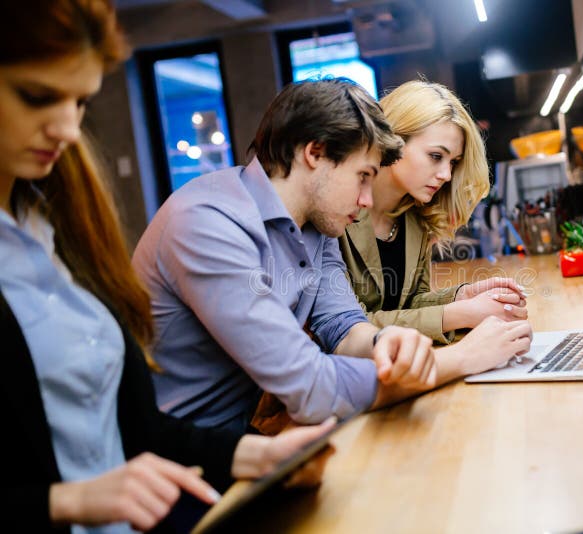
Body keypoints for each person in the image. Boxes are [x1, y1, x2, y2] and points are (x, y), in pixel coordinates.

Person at [0, 2, 338, 532]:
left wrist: (256, 455)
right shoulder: (206, 220)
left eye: (82, 101)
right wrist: (65, 502)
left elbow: (135, 429)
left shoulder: (57, 229)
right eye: (37, 97)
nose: (67, 129)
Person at [133, 77, 443, 436]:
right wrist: (458, 361)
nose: (366, 200)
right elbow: (311, 388)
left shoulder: (318, 224)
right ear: (315, 153)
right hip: (168, 455)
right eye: (362, 176)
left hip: (239, 437)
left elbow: (341, 325)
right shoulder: (206, 222)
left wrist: (383, 342)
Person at [338, 80, 532, 372]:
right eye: (435, 156)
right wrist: (459, 313)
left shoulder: (415, 218)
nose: (446, 174)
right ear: (391, 140)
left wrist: (462, 296)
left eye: (453, 162)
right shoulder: (336, 213)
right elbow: (352, 328)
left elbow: (408, 303)